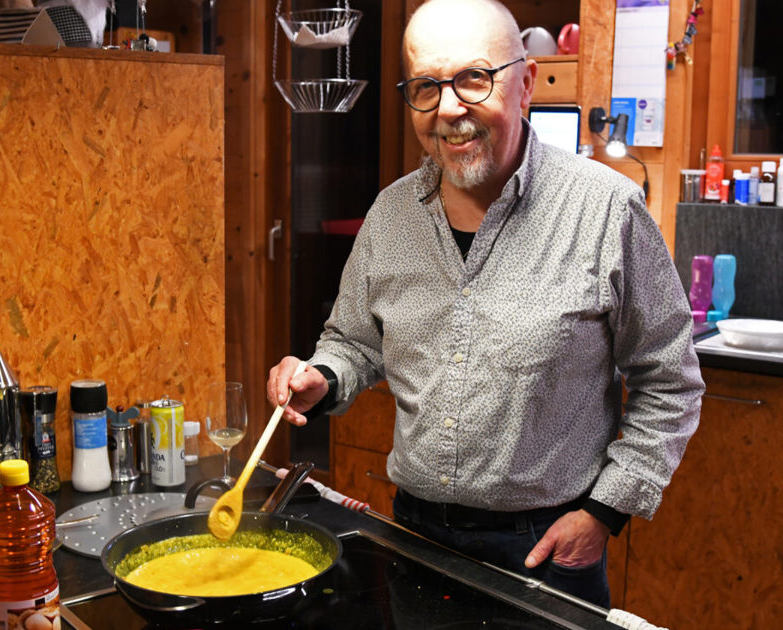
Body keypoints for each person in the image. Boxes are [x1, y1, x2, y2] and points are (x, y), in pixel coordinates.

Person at [266, 0, 704, 608]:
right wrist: (324, 377)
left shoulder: (606, 210)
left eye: (474, 79)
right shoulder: (392, 216)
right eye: (425, 86)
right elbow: (354, 341)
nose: (448, 110)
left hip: (548, 550)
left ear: (525, 84)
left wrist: (604, 512)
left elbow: (671, 382)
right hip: (414, 535)